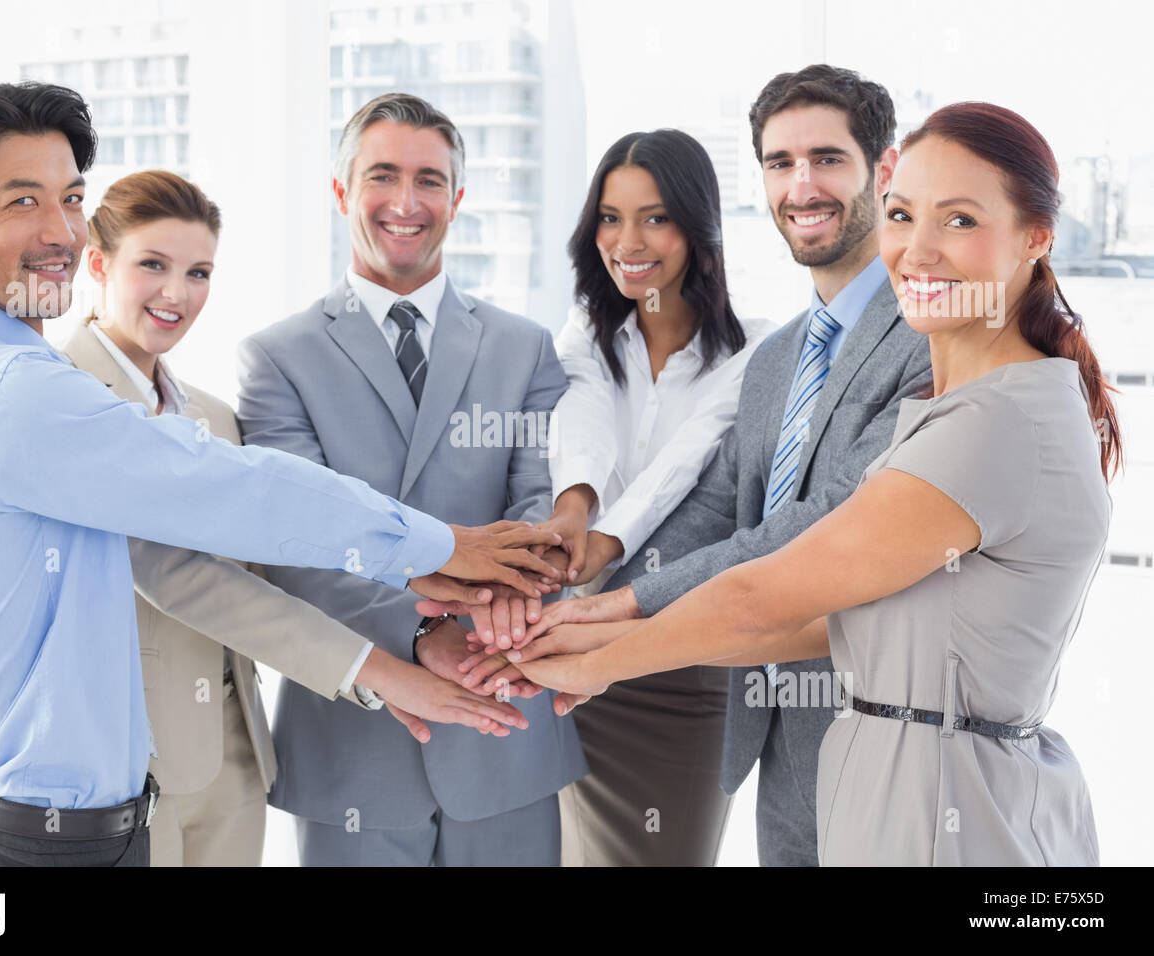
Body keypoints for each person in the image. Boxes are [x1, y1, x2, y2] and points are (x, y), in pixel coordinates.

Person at [0, 76, 559, 868]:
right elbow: (238, 492)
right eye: (21, 202)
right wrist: (435, 548)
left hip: (74, 826)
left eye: (70, 199)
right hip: (38, 844)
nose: (60, 231)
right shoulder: (17, 395)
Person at [514, 100, 1118, 866]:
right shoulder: (950, 405)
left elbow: (762, 596)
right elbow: (825, 623)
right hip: (886, 784)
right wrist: (599, 627)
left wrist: (588, 666)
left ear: (1035, 238)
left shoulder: (995, 423)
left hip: (948, 810)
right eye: (904, 216)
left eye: (960, 221)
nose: (919, 249)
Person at [434, 65, 932, 866]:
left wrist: (608, 611)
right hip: (768, 720)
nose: (801, 186)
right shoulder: (782, 358)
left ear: (885, 169)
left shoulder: (928, 335)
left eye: (826, 159)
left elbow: (819, 524)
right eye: (779, 163)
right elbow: (714, 507)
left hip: (876, 724)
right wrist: (576, 611)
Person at [62, 169, 491, 866]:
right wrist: (379, 668)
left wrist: (426, 618)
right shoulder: (67, 398)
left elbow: (279, 560)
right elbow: (178, 575)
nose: (178, 293)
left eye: (198, 272)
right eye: (153, 265)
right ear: (98, 263)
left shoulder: (215, 416)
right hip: (126, 765)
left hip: (238, 757)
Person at [235, 92, 587, 866]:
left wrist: (497, 615)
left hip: (506, 721)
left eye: (429, 180)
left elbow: (542, 509)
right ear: (340, 192)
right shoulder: (277, 358)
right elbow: (296, 541)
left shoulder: (525, 347)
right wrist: (422, 631)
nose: (405, 201)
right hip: (352, 738)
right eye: (382, 175)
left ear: (457, 199)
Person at [458, 129, 772, 866]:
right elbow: (585, 417)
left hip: (681, 664)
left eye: (655, 217)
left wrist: (603, 542)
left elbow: (690, 459)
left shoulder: (757, 353)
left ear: (700, 227)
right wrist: (573, 509)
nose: (627, 240)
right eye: (609, 216)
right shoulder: (581, 335)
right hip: (566, 649)